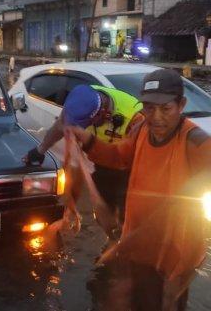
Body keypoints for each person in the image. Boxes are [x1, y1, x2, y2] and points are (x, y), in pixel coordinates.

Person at [67, 69, 211, 311]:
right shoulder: (141, 130)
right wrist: (87, 141)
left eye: (165, 108)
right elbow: (119, 156)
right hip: (137, 244)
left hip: (173, 257)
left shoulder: (196, 142)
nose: (156, 117)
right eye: (149, 108)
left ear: (181, 105)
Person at [24, 84, 143, 227]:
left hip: (129, 168)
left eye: (84, 125)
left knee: (128, 215)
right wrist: (40, 150)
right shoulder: (78, 102)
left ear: (103, 113)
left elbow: (140, 153)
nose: (79, 130)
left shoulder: (134, 116)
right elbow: (59, 128)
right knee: (102, 212)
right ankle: (111, 237)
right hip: (102, 164)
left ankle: (123, 240)